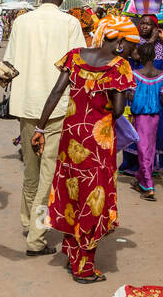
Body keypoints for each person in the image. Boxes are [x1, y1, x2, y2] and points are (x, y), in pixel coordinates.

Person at [31, 19, 136, 283]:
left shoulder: (74, 57)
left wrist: (40, 128)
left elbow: (56, 92)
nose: (131, 51)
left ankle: (71, 253)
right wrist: (124, 92)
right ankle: (84, 268)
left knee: (71, 193)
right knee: (93, 199)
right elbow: (119, 107)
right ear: (120, 42)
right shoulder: (119, 67)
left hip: (71, 137)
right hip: (97, 144)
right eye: (131, 45)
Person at [5, 0, 87, 257]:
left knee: (31, 170)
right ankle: (37, 238)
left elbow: (10, 65)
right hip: (57, 110)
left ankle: (29, 223)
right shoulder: (70, 23)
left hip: (26, 108)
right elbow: (77, 68)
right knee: (48, 176)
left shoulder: (21, 22)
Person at [126, 40, 163, 201]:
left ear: (141, 57)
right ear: (153, 56)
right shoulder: (162, 76)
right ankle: (140, 179)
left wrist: (132, 95)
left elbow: (130, 95)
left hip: (141, 118)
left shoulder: (135, 75)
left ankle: (149, 187)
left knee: (143, 151)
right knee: (149, 150)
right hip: (155, 118)